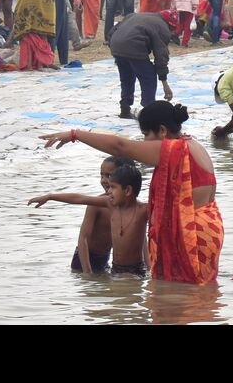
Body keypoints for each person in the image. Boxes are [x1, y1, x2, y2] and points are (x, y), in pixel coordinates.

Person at [39, 101, 223, 284]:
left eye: (146, 135)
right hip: (210, 229)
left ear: (162, 131)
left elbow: (121, 147)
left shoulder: (176, 149)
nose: (144, 142)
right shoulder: (194, 145)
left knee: (182, 299)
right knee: (198, 293)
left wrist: (75, 134)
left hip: (194, 233)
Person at [28, 161, 149, 276]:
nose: (109, 191)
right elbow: (79, 199)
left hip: (134, 271)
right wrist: (50, 196)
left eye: (113, 187)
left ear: (127, 190)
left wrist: (150, 268)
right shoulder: (110, 205)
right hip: (115, 269)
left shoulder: (143, 210)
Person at [108, 11, 176, 120]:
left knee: (126, 77)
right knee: (148, 77)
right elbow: (161, 55)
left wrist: (116, 50)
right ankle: (148, 110)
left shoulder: (135, 15)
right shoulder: (162, 27)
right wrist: (164, 83)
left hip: (116, 44)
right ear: (170, 24)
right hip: (134, 46)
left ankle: (125, 107)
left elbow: (113, 30)